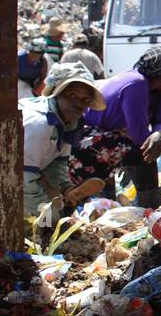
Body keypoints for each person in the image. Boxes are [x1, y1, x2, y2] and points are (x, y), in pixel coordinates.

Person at [71, 47, 161, 208]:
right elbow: (139, 136)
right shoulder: (136, 84)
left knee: (143, 150)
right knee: (144, 155)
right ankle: (152, 209)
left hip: (114, 138)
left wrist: (160, 133)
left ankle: (149, 211)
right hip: (89, 139)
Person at [19, 62, 106, 220]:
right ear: (56, 93)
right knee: (44, 216)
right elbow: (24, 181)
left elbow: (56, 164)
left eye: (85, 99)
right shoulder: (40, 124)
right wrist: (48, 219)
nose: (79, 104)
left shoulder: (69, 122)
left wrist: (67, 188)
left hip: (27, 172)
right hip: (4, 176)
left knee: (56, 201)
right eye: (72, 96)